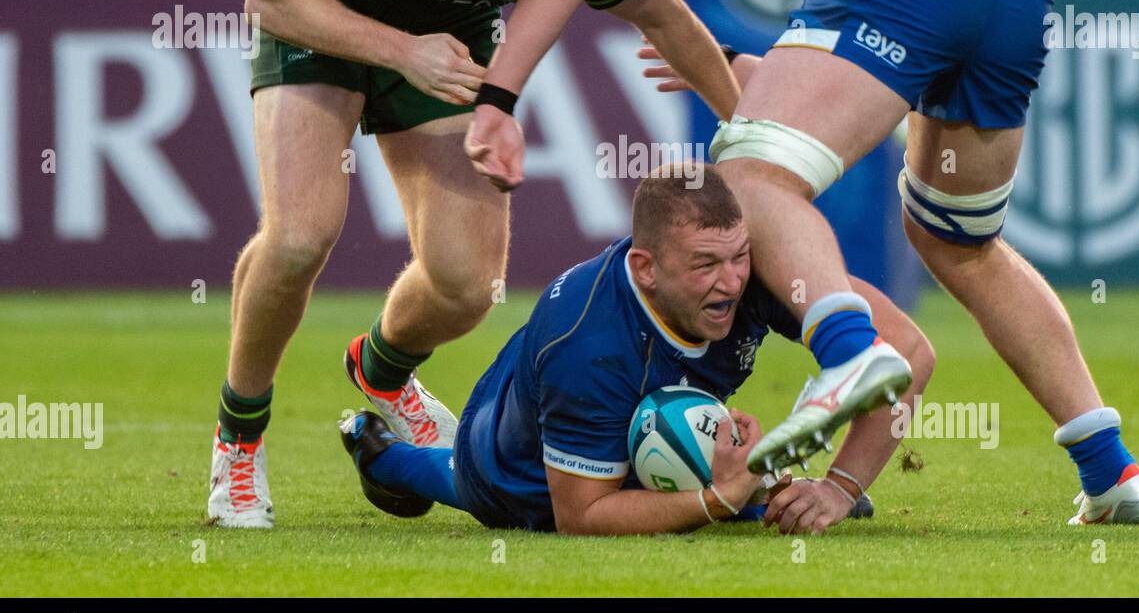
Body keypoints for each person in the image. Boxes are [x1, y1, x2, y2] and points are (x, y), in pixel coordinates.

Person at [463, 0, 1139, 526]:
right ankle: (1112, 471)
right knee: (960, 245)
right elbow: (852, 61)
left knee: (745, 182)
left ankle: (850, 353)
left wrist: (499, 96)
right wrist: (751, 82)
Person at [209, 0, 741, 528]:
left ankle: (383, 370)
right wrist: (401, 51)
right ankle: (239, 441)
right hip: (321, 18)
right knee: (301, 235)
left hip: (448, 41)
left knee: (467, 283)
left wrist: (743, 126)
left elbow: (660, 10)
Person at [341, 165, 936, 536]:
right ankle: (377, 452)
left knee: (718, 477)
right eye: (705, 265)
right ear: (646, 269)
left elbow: (908, 351)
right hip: (513, 469)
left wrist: (839, 487)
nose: (731, 281)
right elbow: (583, 516)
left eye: (738, 257)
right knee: (455, 478)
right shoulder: (586, 345)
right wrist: (718, 499)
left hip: (633, 415)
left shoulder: (764, 273)